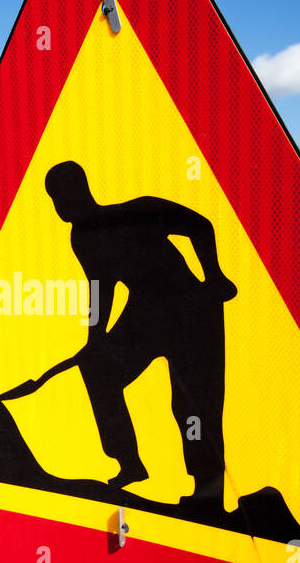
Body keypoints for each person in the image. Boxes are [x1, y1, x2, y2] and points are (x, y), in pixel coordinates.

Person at [44, 160, 236, 510]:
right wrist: (96, 338)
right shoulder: (82, 237)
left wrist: (214, 277)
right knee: (99, 370)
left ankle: (208, 494)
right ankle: (129, 461)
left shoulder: (137, 211)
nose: (61, 205)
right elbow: (100, 287)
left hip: (189, 308)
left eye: (64, 195)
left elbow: (200, 225)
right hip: (145, 312)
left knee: (193, 405)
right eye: (55, 199)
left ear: (82, 189)